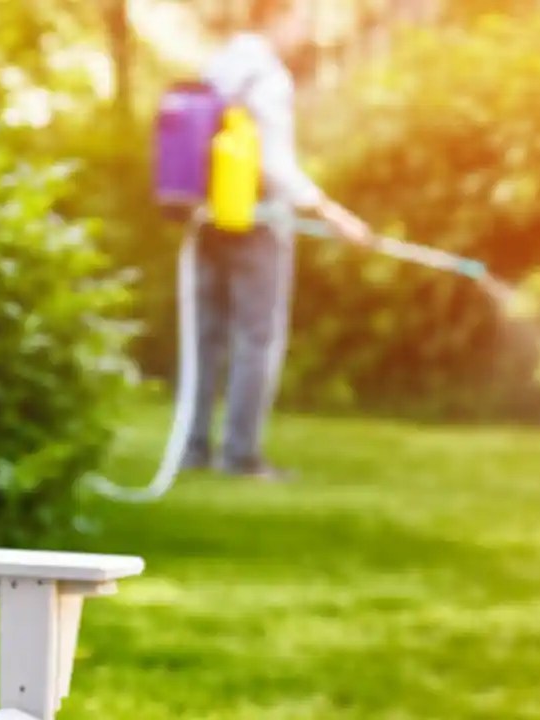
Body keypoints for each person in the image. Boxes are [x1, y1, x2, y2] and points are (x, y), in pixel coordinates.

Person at [182, 0, 371, 480]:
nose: (306, 30)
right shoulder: (268, 76)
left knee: (206, 337)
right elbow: (275, 164)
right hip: (259, 222)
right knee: (257, 337)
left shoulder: (219, 64)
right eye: (302, 18)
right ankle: (240, 456)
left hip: (207, 219)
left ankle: (194, 448)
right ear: (277, 17)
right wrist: (332, 213)